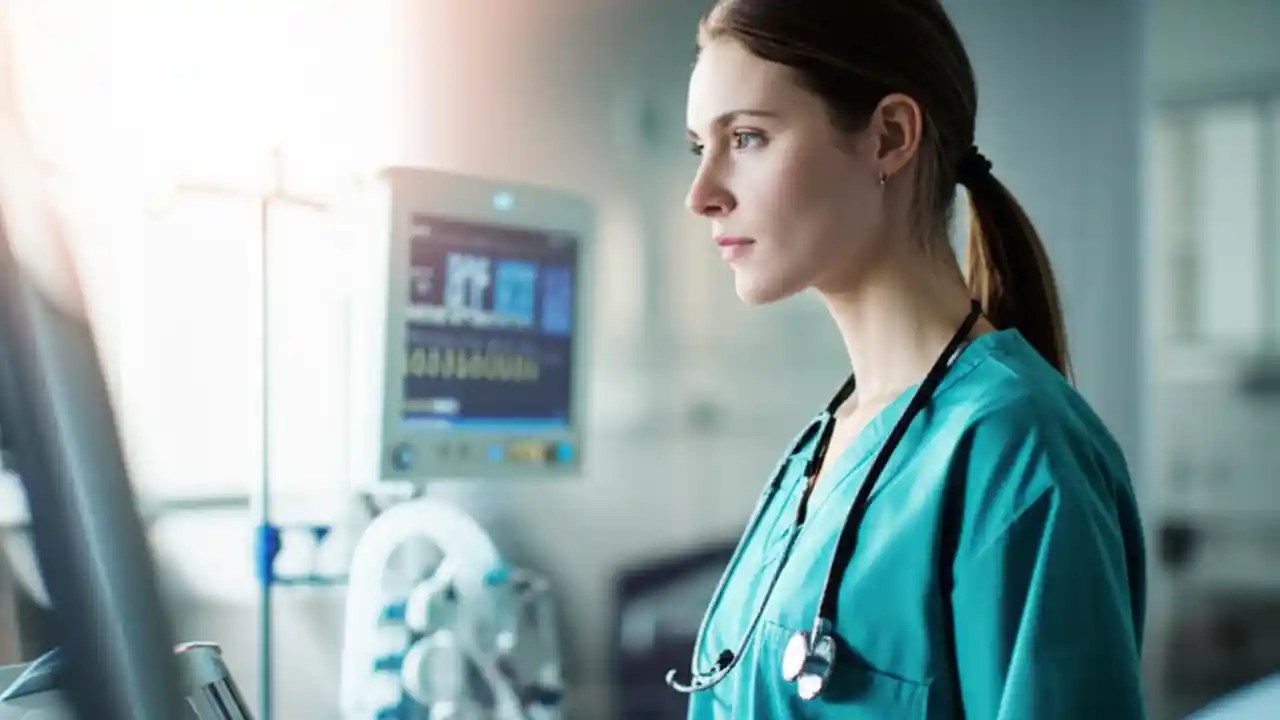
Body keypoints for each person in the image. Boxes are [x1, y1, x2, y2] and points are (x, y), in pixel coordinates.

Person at [669, 0, 1147, 717]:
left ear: (890, 136)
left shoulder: (1018, 454)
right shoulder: (826, 446)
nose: (700, 194)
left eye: (745, 138)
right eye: (696, 148)